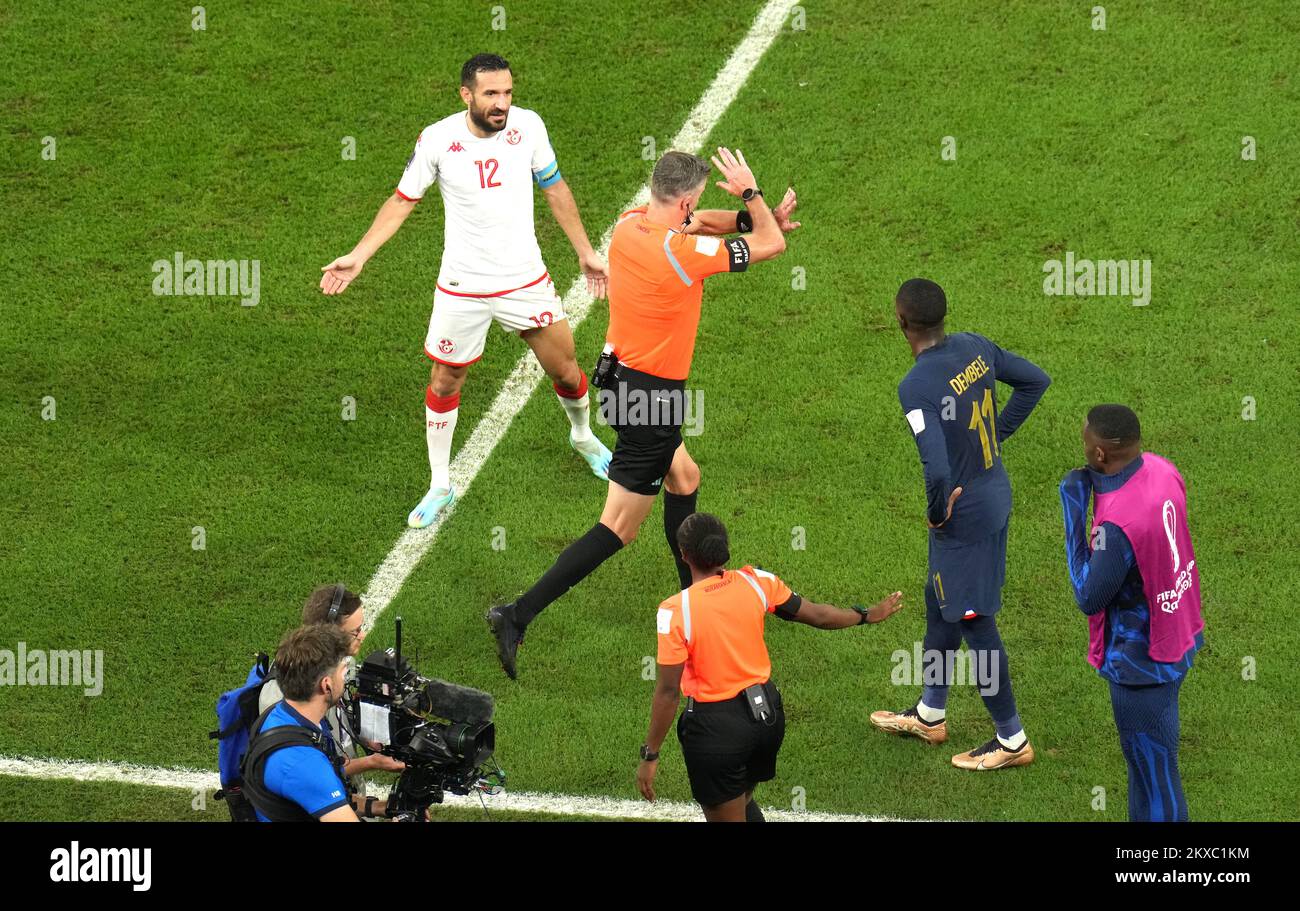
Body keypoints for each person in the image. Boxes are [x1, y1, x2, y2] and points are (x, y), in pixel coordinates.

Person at [486, 147, 800, 678]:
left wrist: (743, 218)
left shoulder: (631, 226)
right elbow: (772, 243)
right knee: (617, 528)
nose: (695, 210)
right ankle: (516, 614)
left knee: (685, 476)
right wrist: (752, 197)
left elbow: (702, 222)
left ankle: (692, 604)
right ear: (680, 199)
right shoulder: (683, 253)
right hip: (650, 404)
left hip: (620, 383)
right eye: (693, 202)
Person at [320, 53, 613, 529]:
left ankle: (582, 435)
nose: (502, 104)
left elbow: (555, 189)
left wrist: (585, 251)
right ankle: (440, 482)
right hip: (462, 287)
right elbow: (400, 202)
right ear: (466, 95)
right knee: (445, 381)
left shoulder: (529, 128)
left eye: (508, 93)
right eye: (491, 94)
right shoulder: (438, 139)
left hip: (524, 280)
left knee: (566, 371)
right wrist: (359, 255)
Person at [869, 278, 1050, 770]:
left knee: (974, 620)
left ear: (902, 321)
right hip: (995, 494)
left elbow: (938, 468)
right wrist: (997, 432)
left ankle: (1012, 739)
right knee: (939, 599)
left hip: (964, 519)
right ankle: (931, 712)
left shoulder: (916, 387)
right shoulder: (974, 345)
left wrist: (935, 513)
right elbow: (1036, 380)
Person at [636, 513, 904, 821]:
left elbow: (669, 693)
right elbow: (817, 615)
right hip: (765, 719)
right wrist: (865, 614)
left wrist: (650, 754)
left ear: (683, 555)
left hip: (717, 733)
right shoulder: (756, 581)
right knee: (743, 799)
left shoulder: (675, 610)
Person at [1059, 404, 1204, 821]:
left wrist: (1073, 509)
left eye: (1086, 443)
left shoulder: (1116, 527)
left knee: (1155, 773)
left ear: (1101, 454)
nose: (1084, 449)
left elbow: (1089, 595)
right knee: (1147, 771)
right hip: (1177, 633)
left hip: (1140, 663)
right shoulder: (1162, 468)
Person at [258, 584, 405, 799]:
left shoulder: (341, 663)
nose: (362, 636)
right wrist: (370, 762)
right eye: (355, 631)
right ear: (330, 633)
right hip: (315, 799)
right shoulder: (280, 700)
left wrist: (368, 740)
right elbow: (304, 775)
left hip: (345, 790)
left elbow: (344, 718)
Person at [243, 624, 380, 821]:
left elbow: (316, 790)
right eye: (343, 671)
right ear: (326, 685)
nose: (347, 677)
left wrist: (379, 806)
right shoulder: (303, 764)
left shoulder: (280, 715)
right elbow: (313, 780)